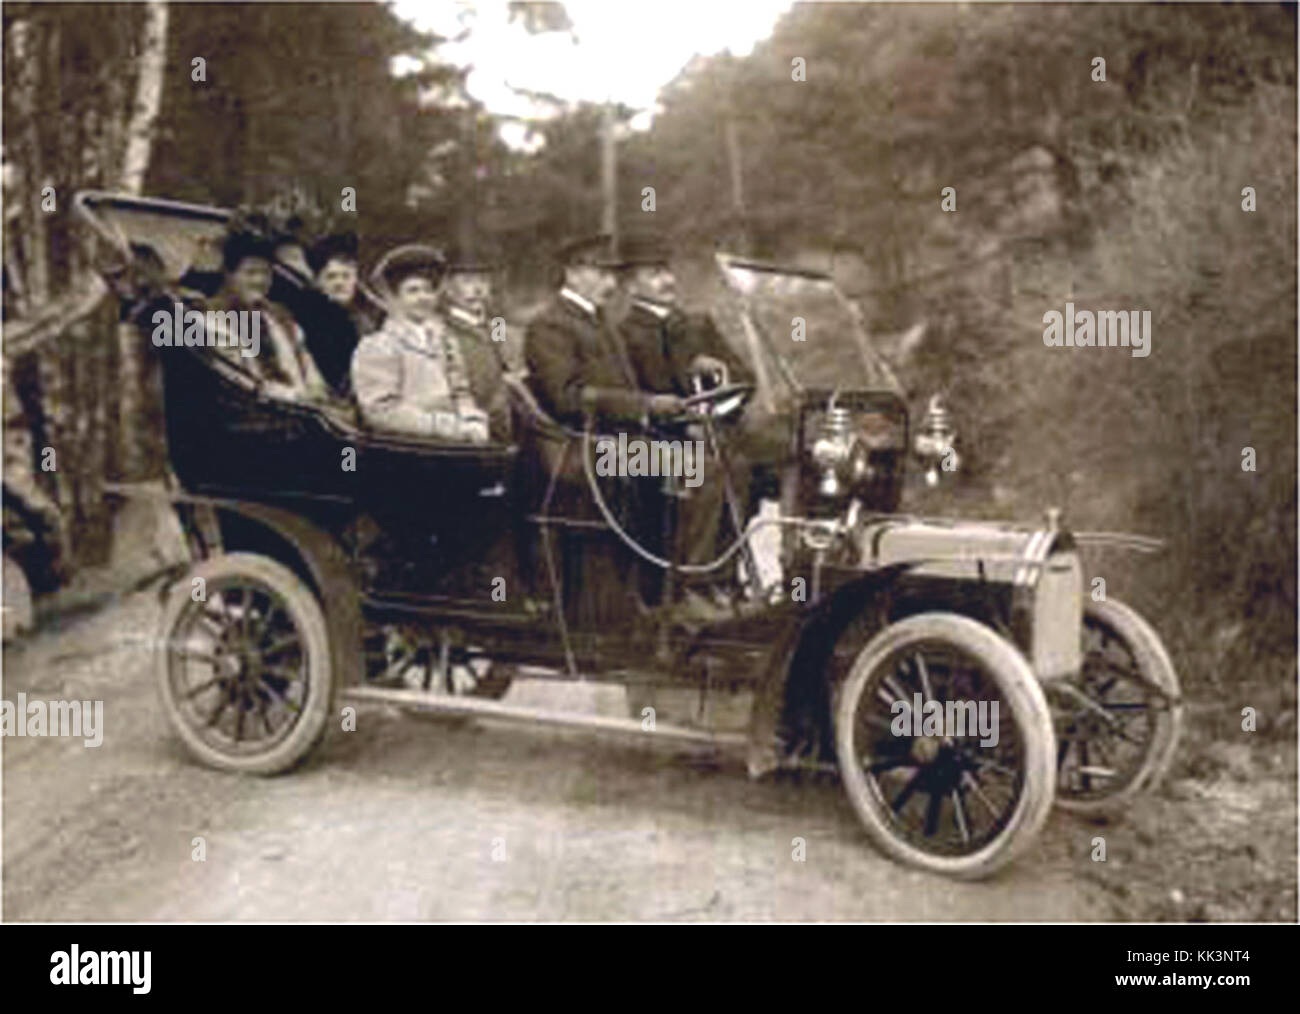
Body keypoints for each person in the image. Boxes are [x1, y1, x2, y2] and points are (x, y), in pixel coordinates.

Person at [351, 244, 489, 442]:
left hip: (454, 448)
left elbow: (461, 392)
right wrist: (449, 427)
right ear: (394, 298)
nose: (423, 298)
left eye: (428, 290)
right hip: (405, 451)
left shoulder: (445, 341)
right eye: (412, 291)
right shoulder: (378, 346)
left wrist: (473, 420)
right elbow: (381, 412)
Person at [208, 227, 331, 403]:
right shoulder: (211, 322)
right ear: (229, 275)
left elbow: (309, 369)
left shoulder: (280, 319)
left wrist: (317, 391)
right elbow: (240, 381)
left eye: (266, 273)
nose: (259, 281)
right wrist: (296, 396)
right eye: (250, 273)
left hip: (305, 415)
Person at [437, 249, 511, 442]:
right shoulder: (442, 329)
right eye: (468, 281)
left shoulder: (497, 324)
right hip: (466, 428)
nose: (478, 289)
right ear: (448, 288)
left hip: (504, 424)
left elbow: (507, 363)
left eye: (483, 281)